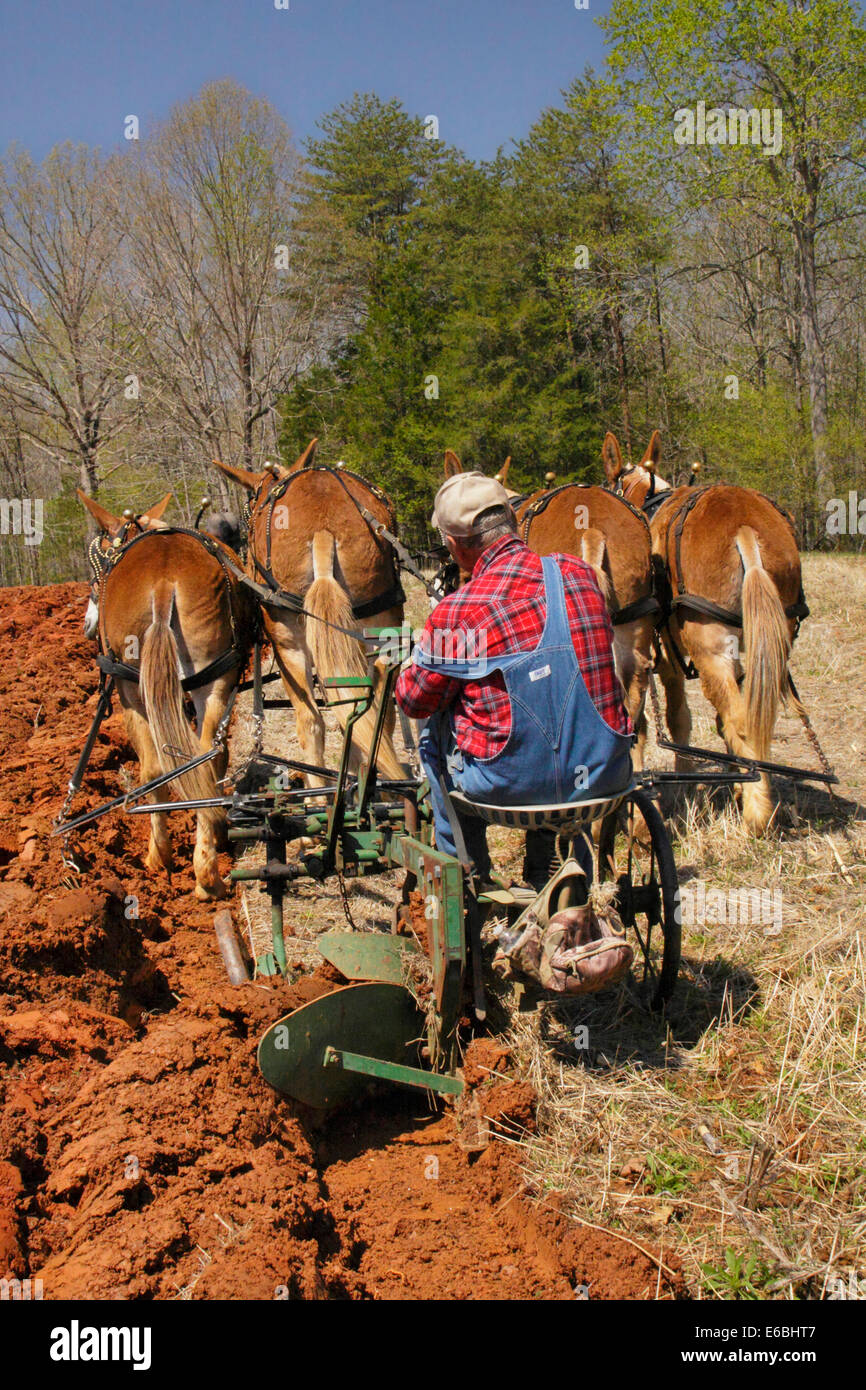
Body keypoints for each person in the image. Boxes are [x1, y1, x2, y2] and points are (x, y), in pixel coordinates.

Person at [395, 471, 634, 888]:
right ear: (512, 517)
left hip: (505, 790)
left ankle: (467, 878)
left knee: (434, 734)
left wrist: (419, 658)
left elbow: (414, 701)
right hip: (601, 778)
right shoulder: (579, 575)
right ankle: (558, 872)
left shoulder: (458, 612)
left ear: (453, 545)